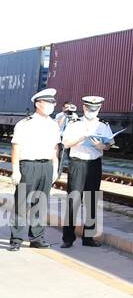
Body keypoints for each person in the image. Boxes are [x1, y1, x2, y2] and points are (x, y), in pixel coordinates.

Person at [9, 88, 60, 251]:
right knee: (22, 203)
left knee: (41, 203)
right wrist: (15, 170)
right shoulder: (24, 124)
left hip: (46, 166)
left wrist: (55, 167)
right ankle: (16, 238)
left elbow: (55, 148)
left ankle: (36, 238)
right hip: (28, 165)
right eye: (49, 102)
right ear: (38, 104)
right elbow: (16, 147)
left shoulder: (53, 125)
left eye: (53, 102)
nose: (53, 105)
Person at [59, 96, 114, 248]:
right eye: (90, 108)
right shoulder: (75, 124)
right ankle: (68, 238)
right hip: (77, 162)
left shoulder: (103, 124)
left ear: (99, 108)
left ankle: (88, 237)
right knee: (73, 200)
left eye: (95, 109)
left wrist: (102, 147)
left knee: (91, 201)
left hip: (94, 163)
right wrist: (80, 138)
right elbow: (65, 143)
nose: (92, 111)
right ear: (83, 107)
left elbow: (109, 144)